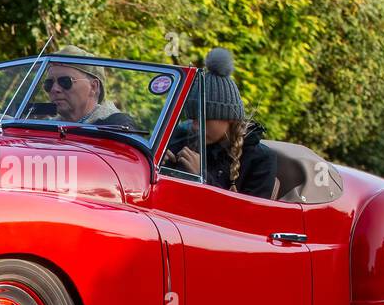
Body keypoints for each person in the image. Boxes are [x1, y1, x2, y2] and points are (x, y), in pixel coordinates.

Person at [164, 47, 277, 199]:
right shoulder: (181, 138)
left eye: (204, 119)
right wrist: (161, 165)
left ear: (229, 117)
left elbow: (251, 218)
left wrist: (202, 178)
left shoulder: (259, 159)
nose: (195, 127)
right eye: (193, 119)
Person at [43, 45, 136, 128]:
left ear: (93, 87)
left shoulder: (115, 126)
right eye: (49, 83)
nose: (54, 89)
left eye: (65, 81)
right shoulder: (46, 127)